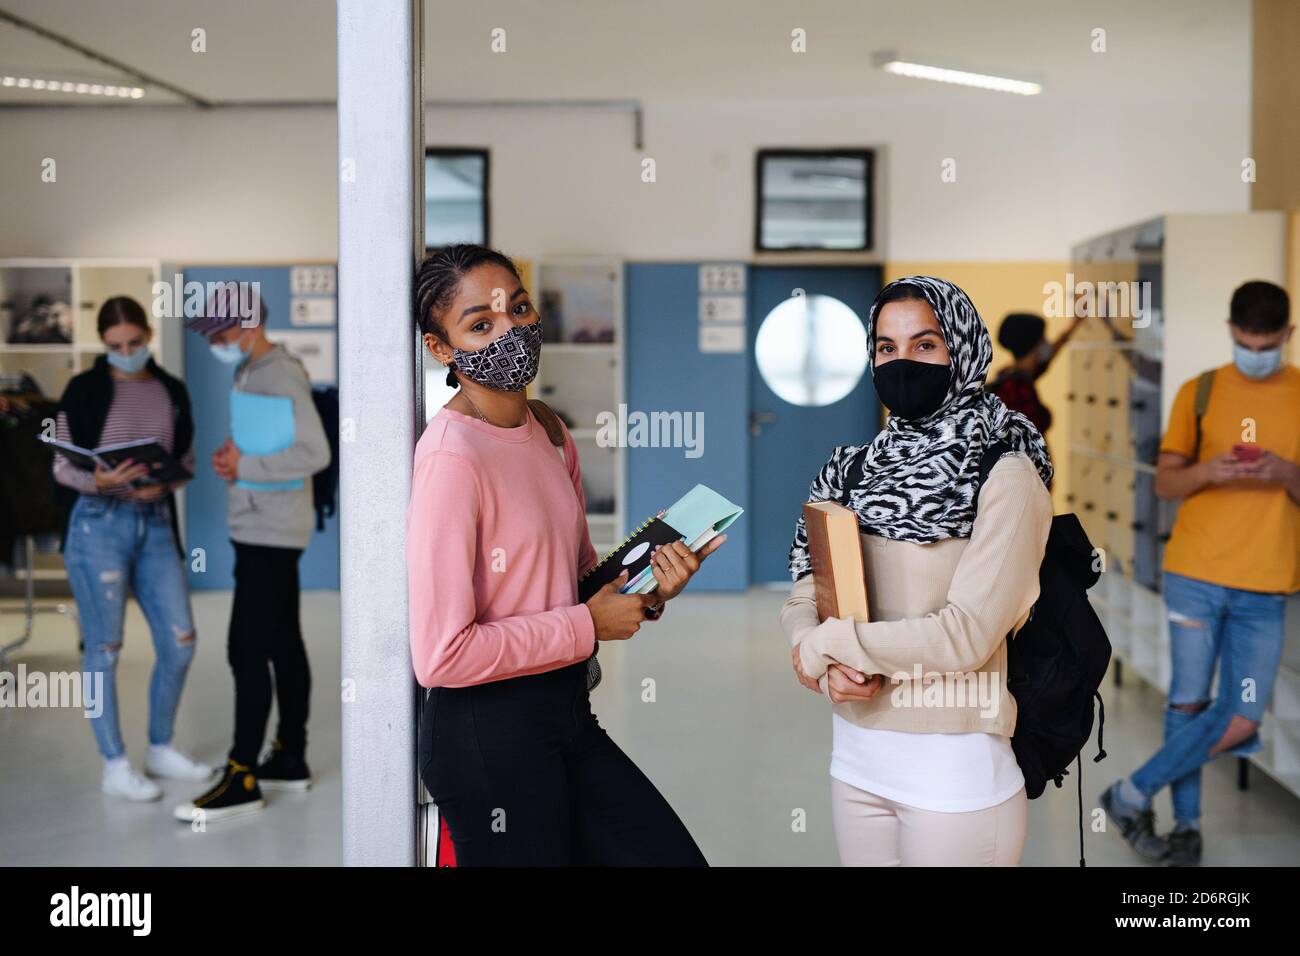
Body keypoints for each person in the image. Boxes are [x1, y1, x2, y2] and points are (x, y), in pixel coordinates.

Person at [407, 243, 724, 866]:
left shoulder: (549, 431)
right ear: (441, 349)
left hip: (565, 713)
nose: (511, 332)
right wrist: (587, 625)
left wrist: (649, 586)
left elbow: (572, 584)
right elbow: (442, 655)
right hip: (486, 737)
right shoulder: (451, 459)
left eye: (518, 309)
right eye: (480, 325)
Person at [782, 276, 1054, 867]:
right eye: (886, 347)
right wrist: (813, 655)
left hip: (955, 775)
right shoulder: (852, 469)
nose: (902, 361)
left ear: (963, 351)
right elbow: (810, 584)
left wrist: (829, 645)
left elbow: (966, 634)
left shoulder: (1005, 474)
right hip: (855, 759)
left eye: (925, 345)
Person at [1101, 280, 1299, 866]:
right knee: (1187, 703)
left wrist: (1286, 472)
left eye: (1267, 343)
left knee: (1241, 714)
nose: (1256, 352)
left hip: (1266, 584)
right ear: (1231, 331)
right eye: (1247, 340)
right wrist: (1210, 469)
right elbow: (1165, 482)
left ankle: (1130, 793)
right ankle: (1187, 827)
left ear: (1288, 335)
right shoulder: (1200, 391)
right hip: (1195, 573)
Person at [173, 286, 330, 822]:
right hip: (261, 526)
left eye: (219, 330)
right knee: (283, 641)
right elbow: (266, 445)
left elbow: (315, 452)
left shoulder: (277, 373)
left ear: (247, 324)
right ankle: (289, 757)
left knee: (245, 649)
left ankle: (241, 774)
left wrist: (245, 470)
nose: (214, 340)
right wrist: (233, 457)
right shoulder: (251, 370)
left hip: (271, 530)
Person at [53, 296, 212, 800]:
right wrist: (98, 480)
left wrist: (165, 482)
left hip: (156, 521)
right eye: (115, 346)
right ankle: (114, 763)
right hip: (98, 524)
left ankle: (160, 747)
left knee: (181, 641)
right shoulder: (82, 389)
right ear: (104, 345)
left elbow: (185, 457)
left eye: (135, 343)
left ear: (147, 335)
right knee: (104, 647)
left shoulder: (171, 390)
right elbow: (59, 463)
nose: (126, 352)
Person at [987, 311, 1085, 443]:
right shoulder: (1016, 389)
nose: (1046, 343)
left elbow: (1046, 359)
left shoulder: (1012, 374)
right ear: (1033, 346)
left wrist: (1074, 325)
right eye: (1043, 339)